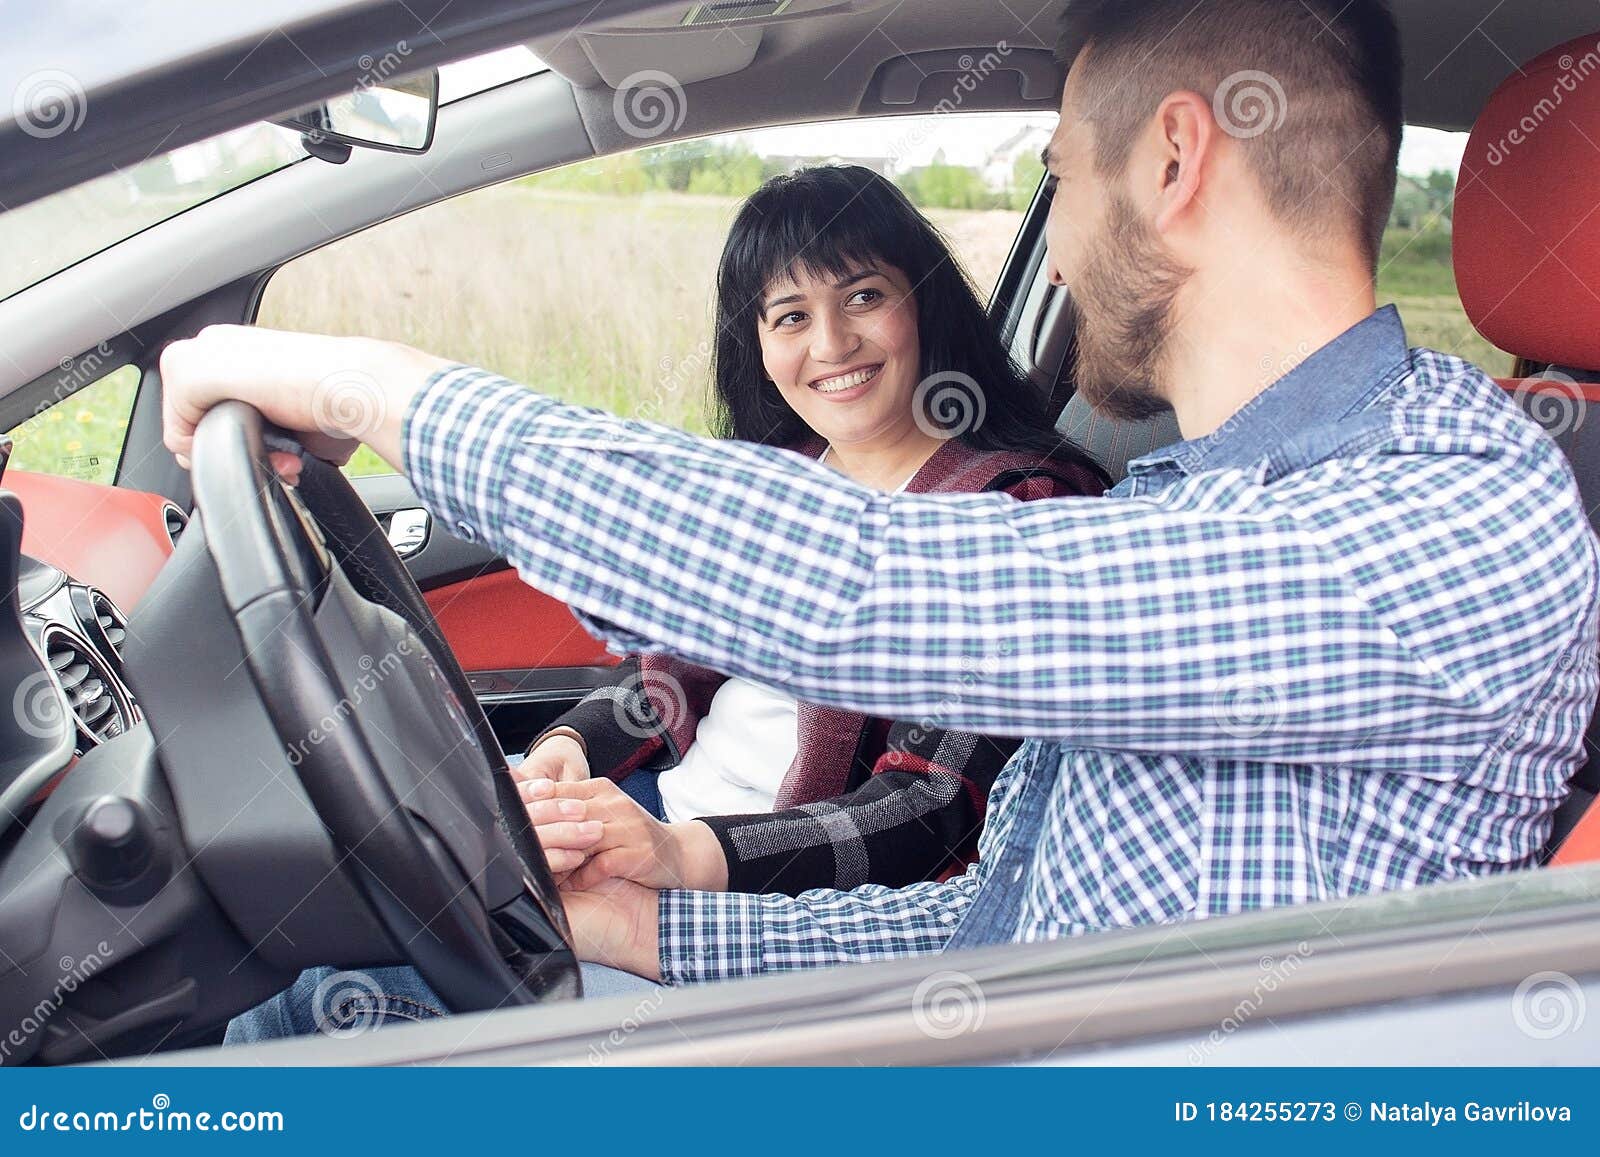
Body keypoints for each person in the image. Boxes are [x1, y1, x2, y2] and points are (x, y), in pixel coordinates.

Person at [168, 0, 1596, 1036]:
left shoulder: (1454, 503)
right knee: (316, 1010)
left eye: (1062, 174)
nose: (1060, 218)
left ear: (1172, 163)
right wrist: (649, 925)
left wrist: (355, 379)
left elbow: (867, 585)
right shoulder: (1212, 499)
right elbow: (993, 929)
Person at [512, 165, 1107, 901]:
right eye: (791, 316)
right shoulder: (781, 472)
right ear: (758, 347)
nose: (831, 343)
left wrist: (680, 853)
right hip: (652, 813)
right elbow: (672, 668)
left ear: (923, 305)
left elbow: (935, 803)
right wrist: (571, 748)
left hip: (765, 896)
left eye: (863, 296)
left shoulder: (1017, 505)